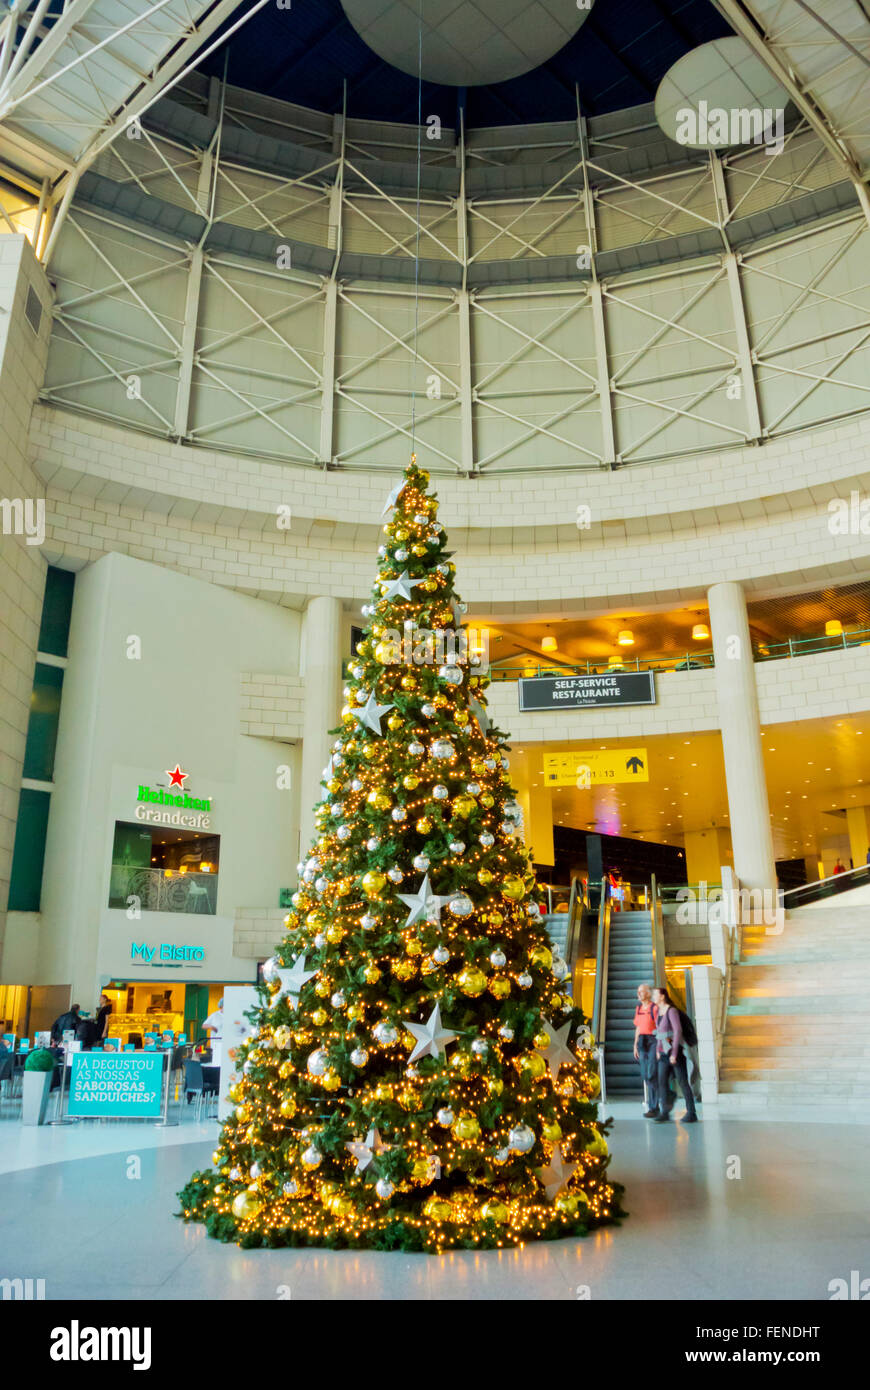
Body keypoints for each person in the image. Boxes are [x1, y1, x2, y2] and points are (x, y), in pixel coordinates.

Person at [650, 985, 698, 1124]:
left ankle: (691, 1112)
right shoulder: (659, 1012)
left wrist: (674, 1053)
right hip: (663, 1053)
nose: (653, 997)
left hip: (674, 1053)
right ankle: (664, 1112)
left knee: (682, 1082)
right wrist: (658, 1050)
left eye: (655, 994)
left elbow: (677, 1031)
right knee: (662, 1082)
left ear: (662, 996)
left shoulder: (672, 1011)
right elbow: (660, 1033)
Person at [633, 983, 658, 1117]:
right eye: (638, 991)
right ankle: (654, 1104)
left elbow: (659, 1026)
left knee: (652, 1073)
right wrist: (635, 1045)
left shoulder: (654, 1008)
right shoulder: (638, 1009)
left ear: (648, 993)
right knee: (645, 1074)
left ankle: (654, 1107)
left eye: (642, 991)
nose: (639, 994)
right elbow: (638, 1027)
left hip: (653, 1040)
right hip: (642, 1041)